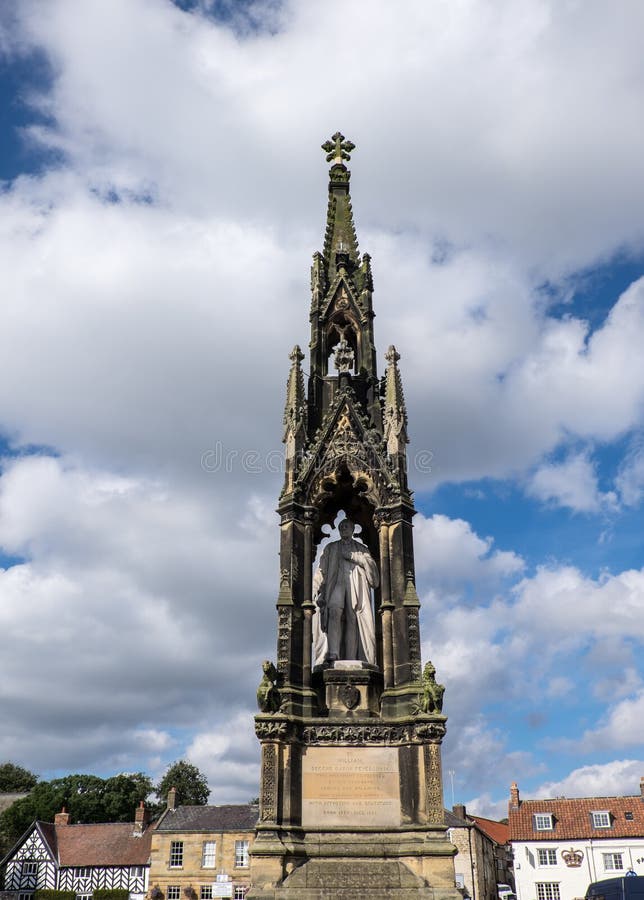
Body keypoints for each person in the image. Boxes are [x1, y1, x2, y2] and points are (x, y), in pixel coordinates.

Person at [313, 518, 379, 665]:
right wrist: (315, 586)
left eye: (347, 526)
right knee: (334, 611)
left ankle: (351, 658)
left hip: (355, 585)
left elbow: (374, 577)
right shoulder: (331, 547)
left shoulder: (361, 549)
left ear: (353, 529)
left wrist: (354, 557)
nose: (343, 528)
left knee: (352, 618)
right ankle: (333, 652)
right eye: (341, 526)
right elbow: (321, 570)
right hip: (336, 584)